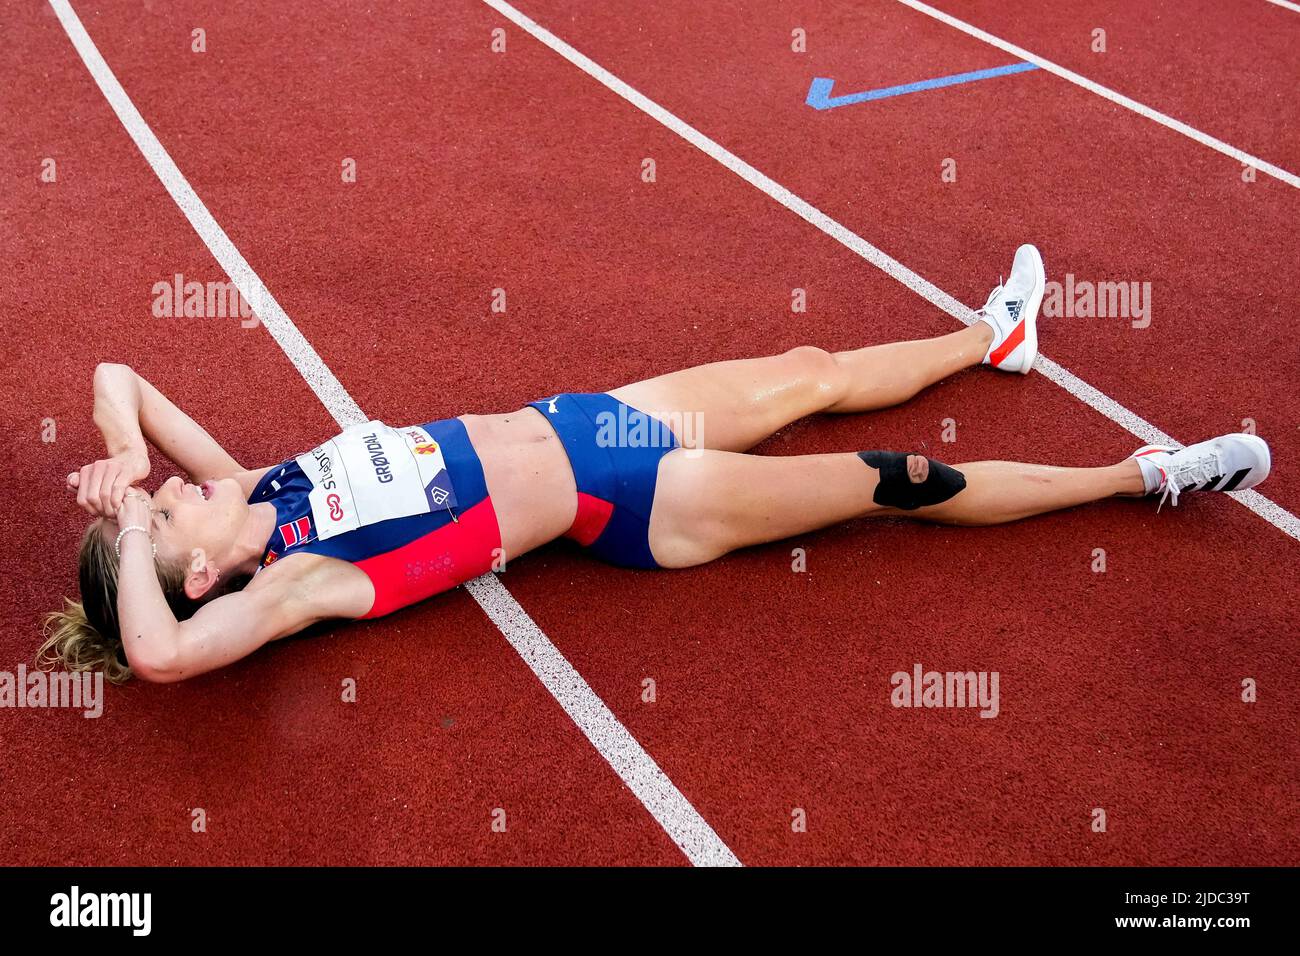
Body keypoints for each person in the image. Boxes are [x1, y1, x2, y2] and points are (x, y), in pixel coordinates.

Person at [41, 246, 1271, 683]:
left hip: (595, 420)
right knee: (897, 479)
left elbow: (119, 377)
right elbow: (157, 656)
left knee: (810, 367)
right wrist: (132, 533)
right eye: (164, 515)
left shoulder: (258, 484)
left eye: (159, 492)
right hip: (629, 501)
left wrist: (122, 459)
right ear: (194, 576)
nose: (168, 488)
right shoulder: (297, 583)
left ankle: (990, 337)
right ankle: (1142, 476)